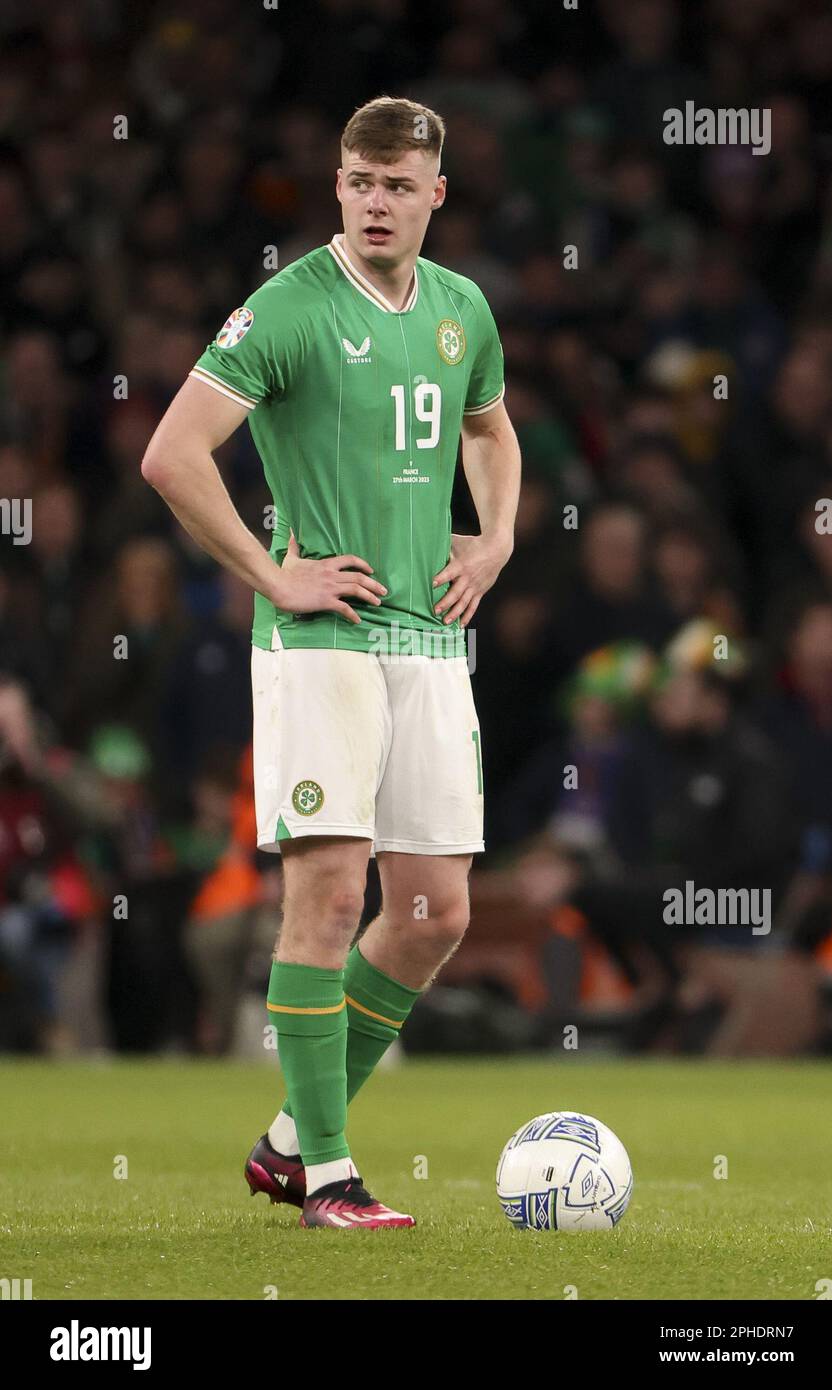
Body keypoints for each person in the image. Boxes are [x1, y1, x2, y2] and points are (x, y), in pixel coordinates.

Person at [141, 96, 521, 1228]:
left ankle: (287, 1140)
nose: (374, 203)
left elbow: (489, 429)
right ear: (337, 184)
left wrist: (494, 539)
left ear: (434, 195)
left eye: (398, 186)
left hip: (430, 640)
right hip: (322, 642)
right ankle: (330, 1177)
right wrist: (273, 574)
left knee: (434, 910)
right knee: (324, 894)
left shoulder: (461, 310)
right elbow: (171, 454)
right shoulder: (289, 307)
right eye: (359, 181)